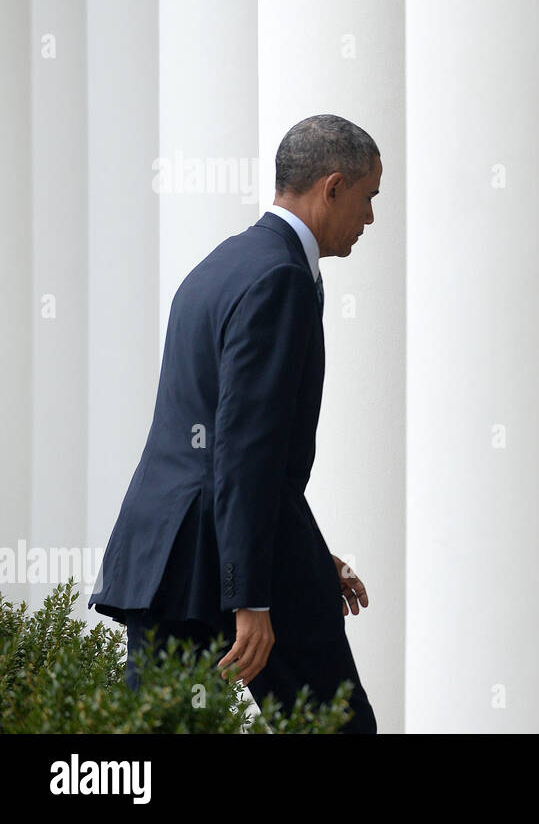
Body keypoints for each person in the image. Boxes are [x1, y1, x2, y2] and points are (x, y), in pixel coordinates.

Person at [89, 114, 382, 733]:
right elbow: (245, 450)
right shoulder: (281, 279)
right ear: (333, 187)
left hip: (169, 560)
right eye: (368, 198)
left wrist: (308, 553)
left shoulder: (220, 265)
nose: (370, 219)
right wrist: (250, 597)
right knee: (337, 727)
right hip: (225, 564)